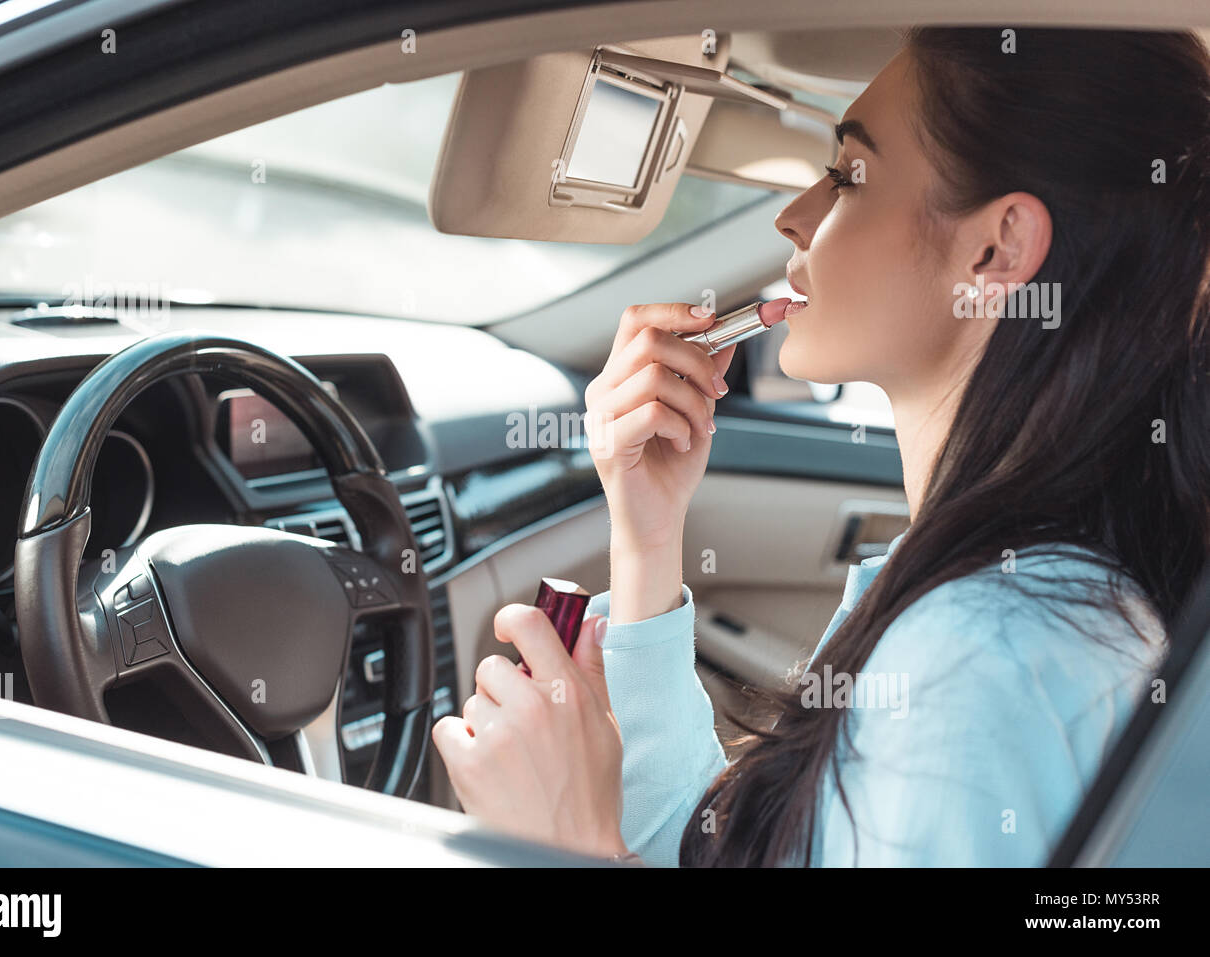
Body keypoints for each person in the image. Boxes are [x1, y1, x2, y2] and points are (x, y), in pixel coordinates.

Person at [431, 26, 1210, 867]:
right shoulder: (1004, 587)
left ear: (997, 249)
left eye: (848, 174)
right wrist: (648, 535)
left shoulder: (977, 656)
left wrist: (563, 841)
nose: (793, 216)